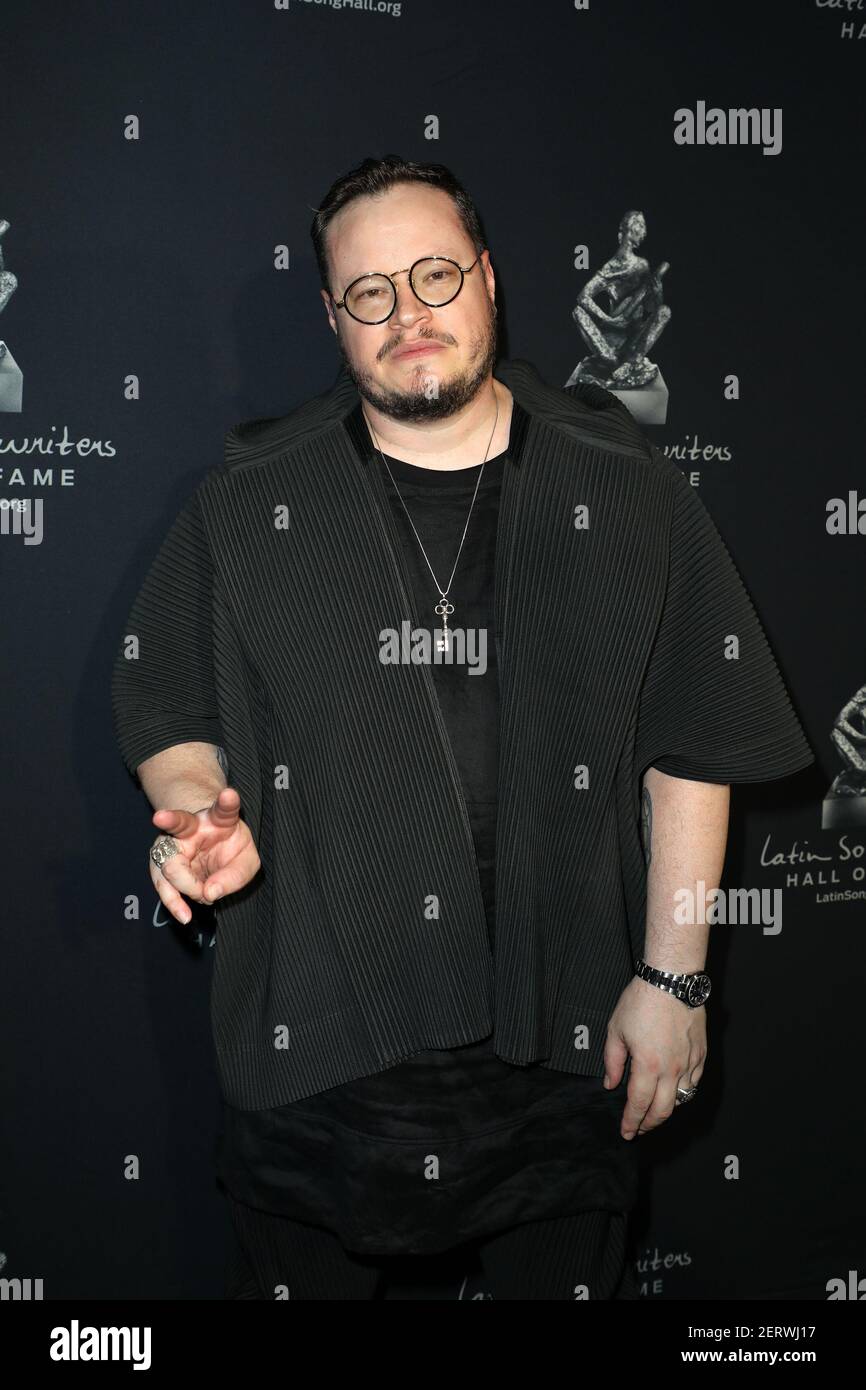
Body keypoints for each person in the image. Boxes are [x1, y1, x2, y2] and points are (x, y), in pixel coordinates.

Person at [111, 154, 815, 1301]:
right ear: (333, 319)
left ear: (488, 279)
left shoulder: (625, 485)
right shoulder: (246, 500)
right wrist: (194, 812)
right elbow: (169, 701)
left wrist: (674, 980)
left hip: (562, 1038)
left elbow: (694, 736)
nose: (408, 316)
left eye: (434, 275)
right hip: (316, 1037)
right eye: (369, 292)